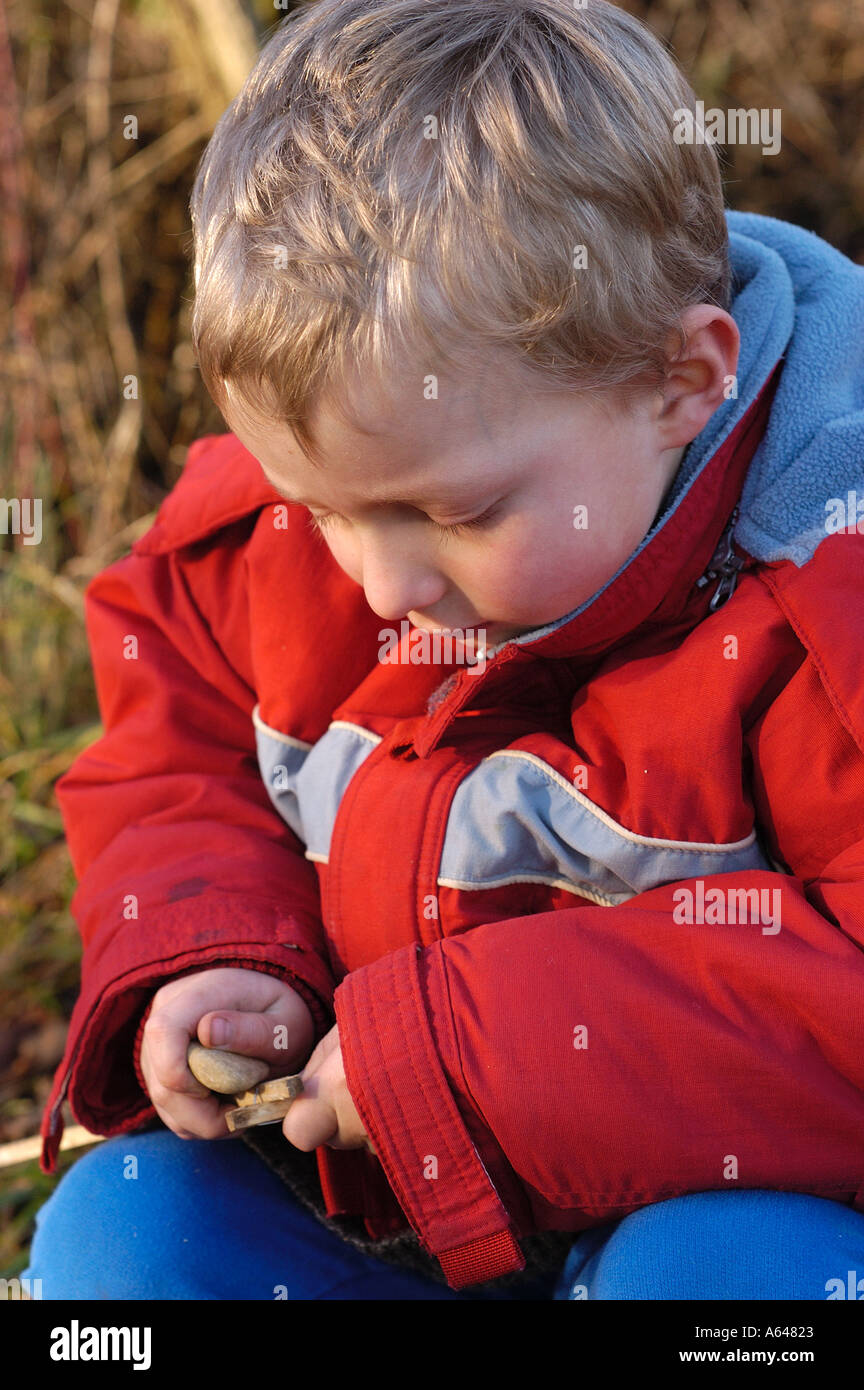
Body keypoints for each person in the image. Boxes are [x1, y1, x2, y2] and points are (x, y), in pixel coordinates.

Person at [26, 0, 864, 1300]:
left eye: (457, 514)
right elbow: (176, 745)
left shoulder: (821, 598)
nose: (383, 577)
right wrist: (219, 950)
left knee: (739, 1277)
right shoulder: (308, 531)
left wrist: (461, 1056)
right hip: (387, 1212)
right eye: (327, 506)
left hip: (709, 1216)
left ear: (682, 384)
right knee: (122, 1235)